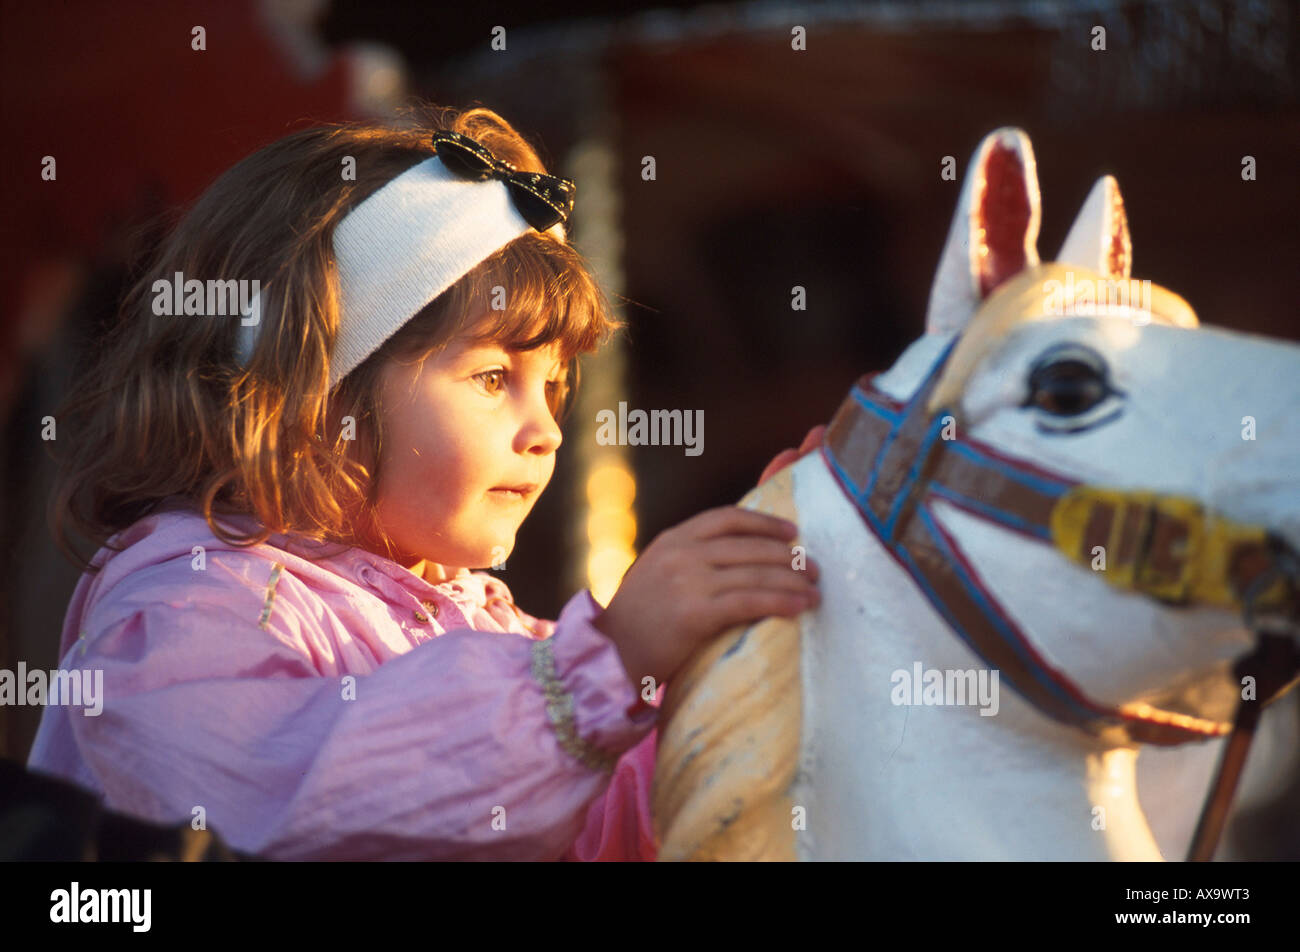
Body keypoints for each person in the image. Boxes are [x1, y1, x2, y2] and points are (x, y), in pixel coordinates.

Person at [26, 103, 822, 861]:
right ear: (314, 394)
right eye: (490, 378)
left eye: (550, 385)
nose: (545, 429)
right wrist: (599, 674)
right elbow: (281, 804)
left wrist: (733, 649)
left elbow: (601, 832)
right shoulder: (185, 606)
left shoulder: (492, 633)